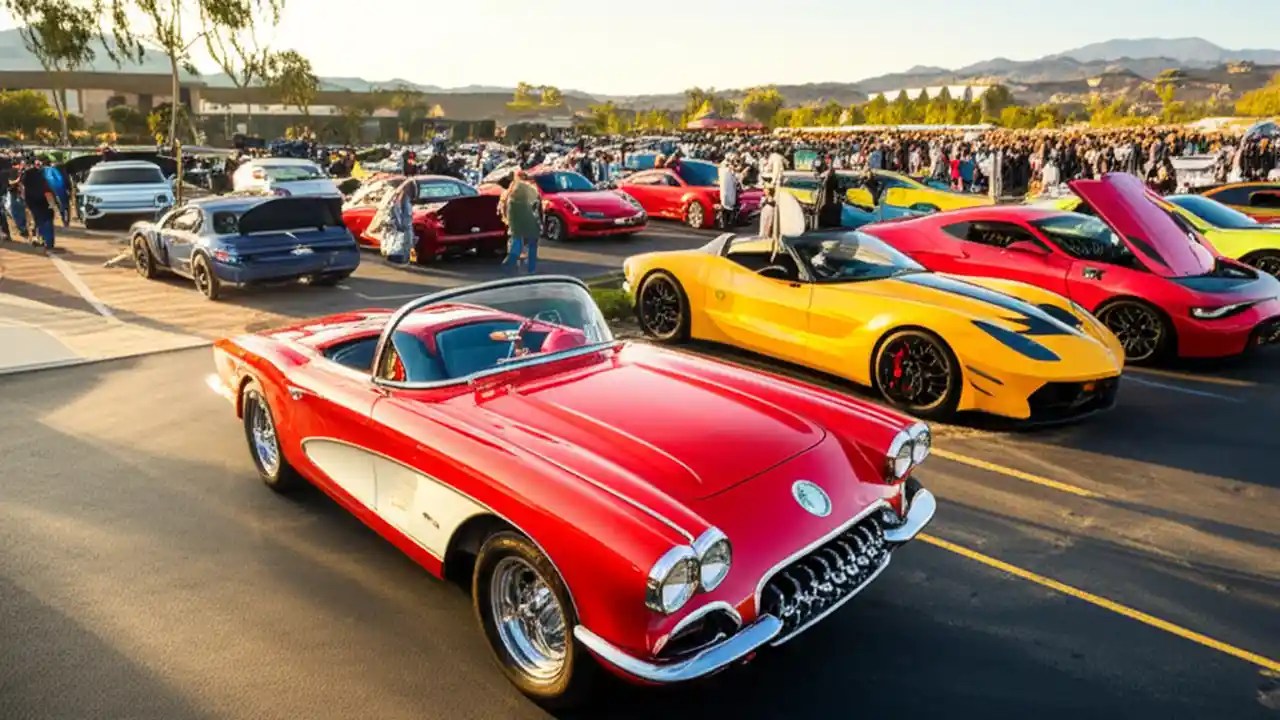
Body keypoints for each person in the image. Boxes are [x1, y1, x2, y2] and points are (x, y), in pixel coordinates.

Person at [500, 169, 540, 274]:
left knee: (516, 241)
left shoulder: (509, 190)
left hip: (514, 219)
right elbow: (535, 200)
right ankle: (531, 268)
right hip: (527, 218)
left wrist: (506, 219)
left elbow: (503, 206)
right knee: (532, 242)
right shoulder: (527, 188)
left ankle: (510, 265)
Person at [21, 160, 57, 254]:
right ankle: (48, 242)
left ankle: (41, 239)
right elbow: (48, 192)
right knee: (47, 220)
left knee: (38, 221)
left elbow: (23, 193)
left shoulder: (27, 181)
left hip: (33, 203)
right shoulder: (42, 181)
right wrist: (52, 204)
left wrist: (26, 204)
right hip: (44, 202)